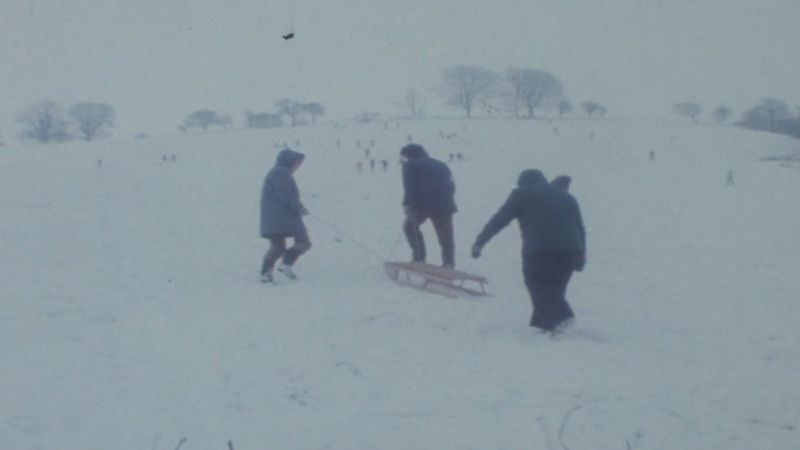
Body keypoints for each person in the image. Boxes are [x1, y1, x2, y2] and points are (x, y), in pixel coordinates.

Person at [471, 169, 586, 332]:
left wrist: (480, 242)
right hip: (570, 251)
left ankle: (565, 319)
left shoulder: (522, 194)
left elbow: (500, 219)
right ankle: (542, 327)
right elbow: (580, 228)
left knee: (537, 286)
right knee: (554, 290)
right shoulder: (568, 197)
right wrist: (581, 255)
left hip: (540, 250)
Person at [400, 143, 457, 268]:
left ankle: (419, 258)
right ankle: (449, 263)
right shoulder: (441, 164)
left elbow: (409, 186)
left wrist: (408, 204)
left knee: (410, 227)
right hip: (445, 205)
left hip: (422, 205)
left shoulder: (409, 165)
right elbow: (452, 186)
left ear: (408, 155)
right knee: (446, 236)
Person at [259, 148, 311, 282]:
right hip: (283, 217)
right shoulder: (281, 173)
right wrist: (299, 207)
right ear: (289, 162)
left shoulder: (278, 172)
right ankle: (286, 263)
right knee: (303, 241)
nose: (298, 167)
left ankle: (267, 272)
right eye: (297, 163)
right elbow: (286, 194)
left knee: (278, 247)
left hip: (274, 218)